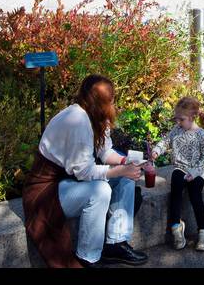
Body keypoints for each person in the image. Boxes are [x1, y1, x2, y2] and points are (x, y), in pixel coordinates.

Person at [31, 74, 148, 267]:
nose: (113, 104)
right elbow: (84, 172)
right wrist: (119, 171)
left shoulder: (96, 116)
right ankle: (87, 257)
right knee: (101, 191)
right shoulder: (77, 121)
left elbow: (105, 151)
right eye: (110, 100)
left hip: (70, 181)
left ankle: (115, 243)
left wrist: (126, 162)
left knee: (127, 177)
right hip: (48, 190)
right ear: (99, 101)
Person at [152, 96, 204, 252]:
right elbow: (165, 141)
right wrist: (156, 150)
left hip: (197, 170)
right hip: (181, 167)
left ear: (193, 118)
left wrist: (195, 172)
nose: (178, 122)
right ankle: (176, 227)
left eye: (182, 119)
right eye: (177, 119)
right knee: (176, 186)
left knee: (195, 193)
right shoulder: (176, 130)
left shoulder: (202, 135)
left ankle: (203, 231)